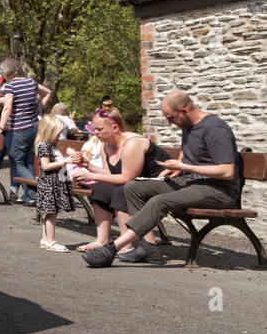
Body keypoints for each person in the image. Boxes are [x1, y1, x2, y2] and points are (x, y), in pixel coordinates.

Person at [84, 91, 239, 267]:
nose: (169, 123)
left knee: (159, 201)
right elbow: (190, 151)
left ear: (184, 110)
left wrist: (185, 167)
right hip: (191, 183)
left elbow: (227, 171)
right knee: (133, 187)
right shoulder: (189, 126)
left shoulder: (215, 129)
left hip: (219, 189)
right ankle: (148, 246)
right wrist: (177, 164)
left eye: (171, 118)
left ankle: (111, 249)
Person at [70, 107, 163, 254]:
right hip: (136, 184)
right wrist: (88, 166)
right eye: (94, 129)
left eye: (99, 129)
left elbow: (126, 178)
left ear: (115, 128)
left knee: (121, 190)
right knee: (101, 189)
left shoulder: (132, 143)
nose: (95, 132)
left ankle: (126, 243)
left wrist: (92, 176)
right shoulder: (105, 144)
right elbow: (109, 173)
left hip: (161, 184)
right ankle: (102, 240)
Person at [0, 58, 51, 205]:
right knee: (28, 161)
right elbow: (48, 92)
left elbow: (7, 108)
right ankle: (30, 196)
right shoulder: (31, 82)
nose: (1, 74)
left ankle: (39, 191)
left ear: (7, 72)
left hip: (19, 129)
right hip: (34, 128)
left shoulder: (11, 85)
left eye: (1, 72)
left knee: (16, 160)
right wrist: (38, 108)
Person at [34, 114, 76, 251]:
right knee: (51, 213)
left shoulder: (52, 146)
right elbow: (45, 166)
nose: (59, 136)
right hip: (49, 184)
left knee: (50, 212)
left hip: (54, 182)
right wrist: (64, 161)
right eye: (58, 133)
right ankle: (50, 240)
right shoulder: (45, 146)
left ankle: (45, 239)